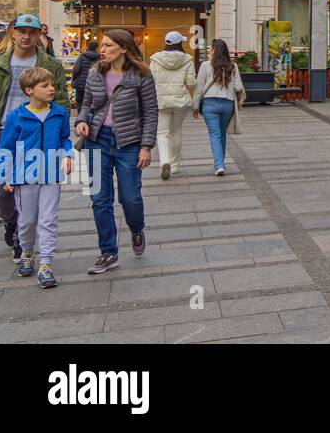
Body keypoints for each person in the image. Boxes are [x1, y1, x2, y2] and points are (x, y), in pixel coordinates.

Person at [76, 28, 157, 274]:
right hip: (97, 140)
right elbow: (86, 104)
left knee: (130, 198)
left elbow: (151, 113)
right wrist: (81, 121)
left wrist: (146, 146)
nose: (103, 49)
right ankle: (108, 252)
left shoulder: (141, 75)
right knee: (99, 198)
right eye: (102, 45)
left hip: (129, 143)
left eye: (109, 45)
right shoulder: (94, 74)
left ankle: (136, 228)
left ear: (123, 48)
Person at [0, 14, 69, 261]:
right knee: (3, 190)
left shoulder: (51, 65)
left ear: (40, 35)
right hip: (4, 129)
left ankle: (22, 241)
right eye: (22, 31)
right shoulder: (0, 63)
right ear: (13, 33)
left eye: (32, 31)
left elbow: (61, 99)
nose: (26, 36)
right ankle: (11, 222)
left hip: (37, 133)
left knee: (32, 193)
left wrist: (61, 133)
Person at [0, 66, 73, 288]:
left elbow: (65, 139)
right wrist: (7, 176)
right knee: (28, 221)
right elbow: (6, 148)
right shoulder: (16, 117)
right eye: (45, 85)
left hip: (51, 175)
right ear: (29, 90)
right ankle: (28, 253)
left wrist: (67, 154)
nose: (52, 89)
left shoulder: (59, 114)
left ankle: (46, 264)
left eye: (52, 84)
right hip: (25, 176)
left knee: (48, 220)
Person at [193, 39, 245, 177]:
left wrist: (195, 106)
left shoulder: (205, 65)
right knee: (221, 133)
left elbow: (198, 87)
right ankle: (220, 163)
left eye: (211, 48)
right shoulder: (233, 66)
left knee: (214, 133)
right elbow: (238, 87)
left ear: (215, 51)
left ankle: (219, 165)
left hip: (210, 104)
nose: (209, 50)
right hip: (227, 104)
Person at [149, 31, 196, 181]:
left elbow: (151, 80)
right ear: (179, 43)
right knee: (176, 131)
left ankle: (164, 162)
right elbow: (191, 83)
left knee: (162, 133)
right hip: (180, 101)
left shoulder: (155, 59)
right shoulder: (187, 60)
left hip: (161, 100)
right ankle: (174, 165)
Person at [70, 40, 99, 113]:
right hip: (94, 84)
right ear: (96, 48)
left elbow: (76, 70)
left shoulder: (82, 57)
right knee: (91, 102)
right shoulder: (99, 58)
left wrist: (74, 80)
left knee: (79, 102)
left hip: (81, 84)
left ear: (88, 47)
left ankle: (80, 118)